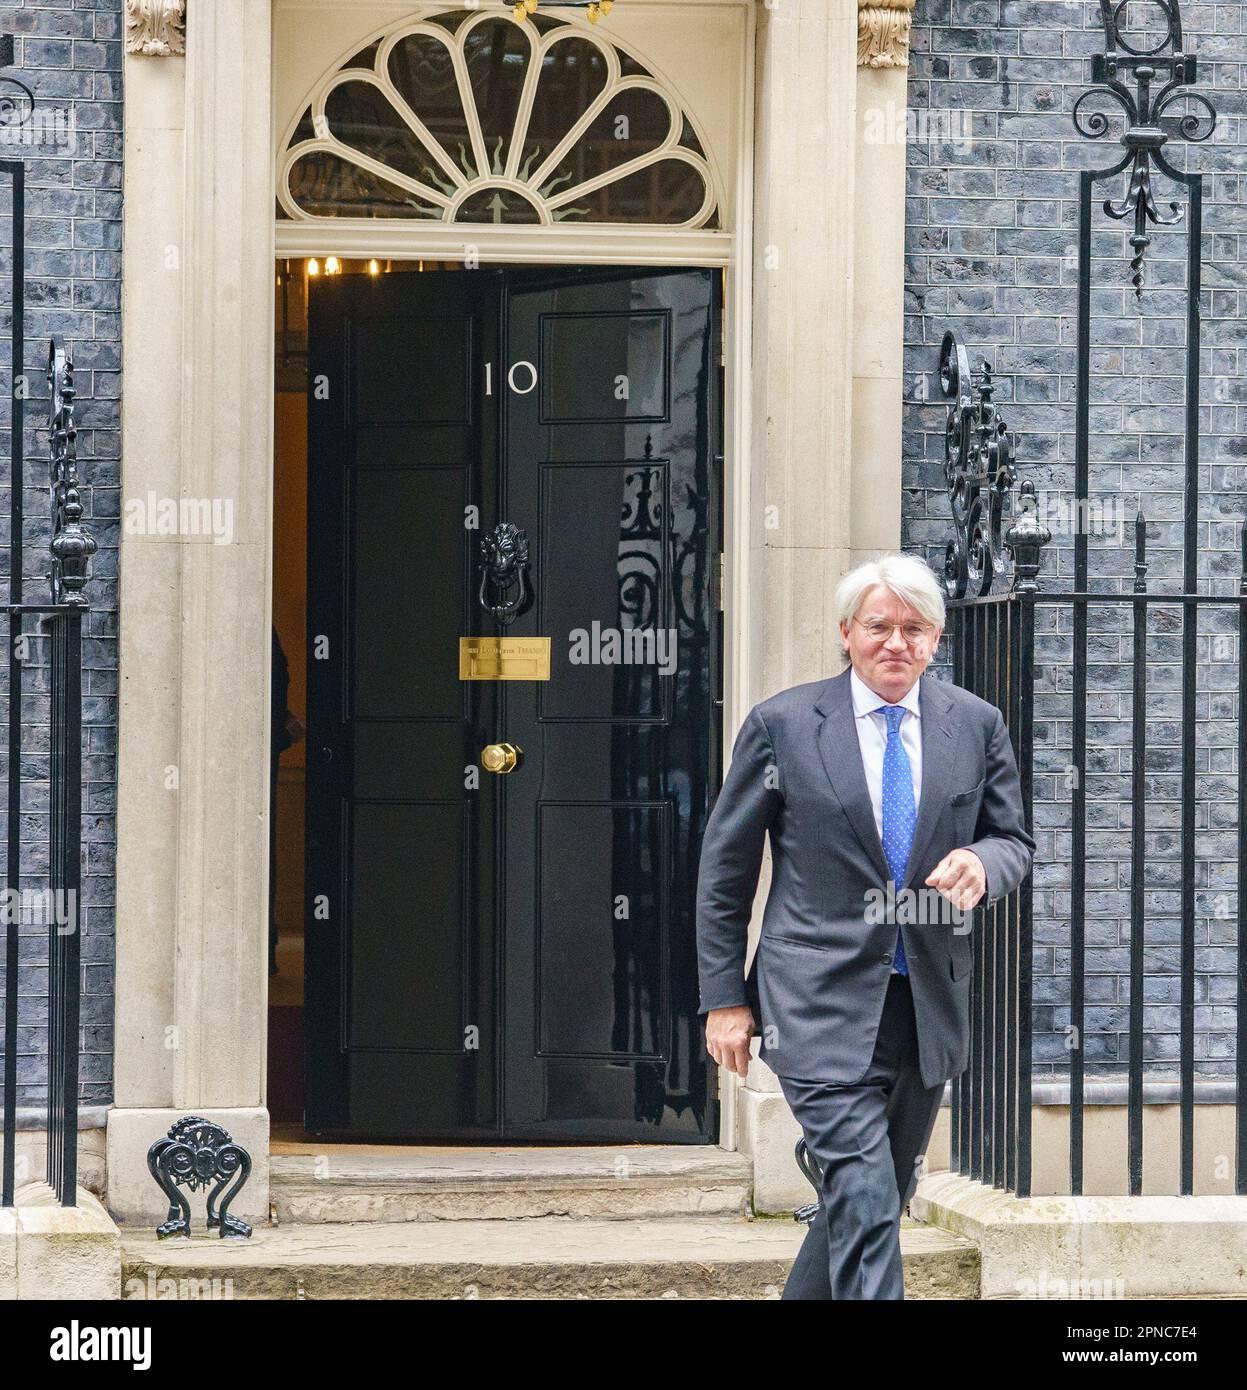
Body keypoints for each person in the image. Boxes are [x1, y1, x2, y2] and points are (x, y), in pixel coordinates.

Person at [695, 554, 1035, 1299]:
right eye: (878, 626)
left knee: (867, 1197)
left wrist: (982, 862)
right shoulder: (782, 726)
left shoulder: (974, 725)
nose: (896, 643)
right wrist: (724, 997)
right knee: (868, 1196)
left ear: (936, 640)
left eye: (914, 628)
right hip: (811, 1002)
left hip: (923, 1005)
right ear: (845, 633)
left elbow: (1013, 840)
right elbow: (725, 868)